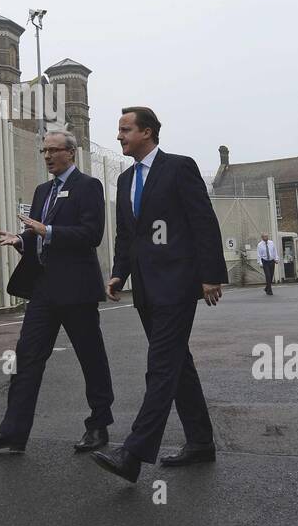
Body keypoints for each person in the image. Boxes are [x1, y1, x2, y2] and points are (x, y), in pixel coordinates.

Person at [91, 107, 228, 483]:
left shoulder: (179, 167)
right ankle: (201, 442)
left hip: (178, 284)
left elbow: (203, 221)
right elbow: (127, 234)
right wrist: (119, 273)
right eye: (119, 130)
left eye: (125, 129)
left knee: (161, 366)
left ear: (147, 132)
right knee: (177, 364)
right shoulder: (125, 179)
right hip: (146, 288)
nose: (119, 136)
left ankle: (133, 453)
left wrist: (210, 275)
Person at [0, 129, 115, 454]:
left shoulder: (88, 186)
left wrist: (47, 230)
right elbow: (36, 234)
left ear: (71, 153)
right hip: (44, 289)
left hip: (76, 290)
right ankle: (13, 431)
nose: (48, 156)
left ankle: (98, 425)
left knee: (90, 358)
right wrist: (21, 240)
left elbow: (91, 234)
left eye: (54, 150)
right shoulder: (42, 191)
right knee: (27, 358)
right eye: (44, 151)